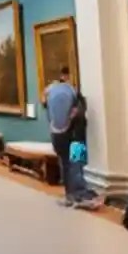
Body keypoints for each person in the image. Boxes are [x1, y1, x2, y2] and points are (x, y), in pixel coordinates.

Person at [42, 66, 80, 205]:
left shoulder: (52, 90)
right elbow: (77, 110)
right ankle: (76, 193)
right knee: (75, 163)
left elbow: (44, 101)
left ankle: (70, 194)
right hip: (75, 133)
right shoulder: (72, 90)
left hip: (59, 133)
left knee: (65, 162)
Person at [65, 93, 102, 209]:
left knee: (76, 169)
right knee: (77, 168)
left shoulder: (76, 116)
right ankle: (78, 194)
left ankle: (77, 194)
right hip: (78, 143)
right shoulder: (80, 115)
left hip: (76, 143)